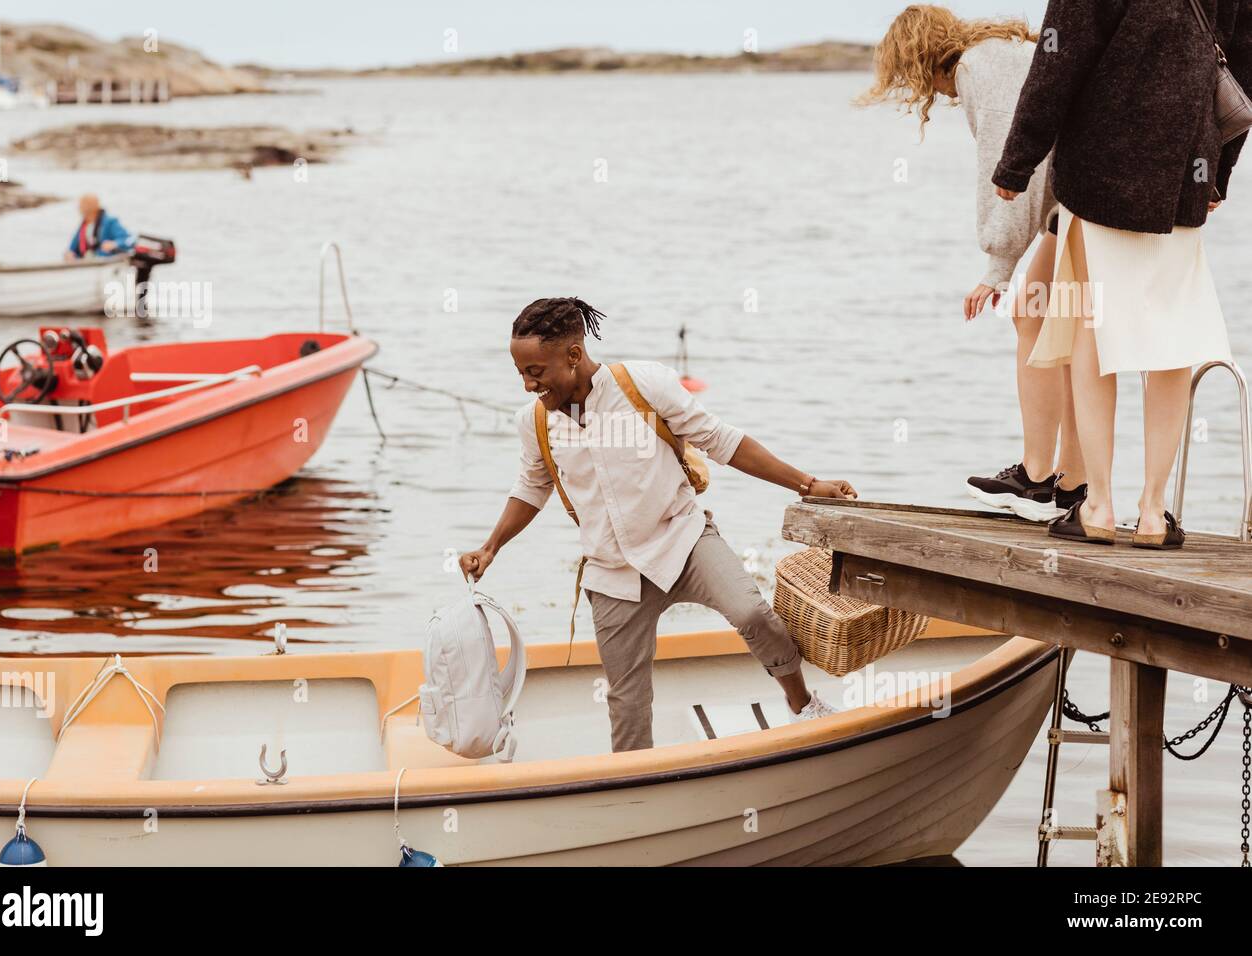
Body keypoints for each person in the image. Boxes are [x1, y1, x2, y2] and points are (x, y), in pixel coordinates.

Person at [460, 297, 856, 752]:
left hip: (682, 540)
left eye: (537, 371)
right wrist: (491, 547)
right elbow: (532, 487)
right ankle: (636, 785)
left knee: (752, 614)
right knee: (625, 701)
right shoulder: (534, 423)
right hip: (612, 572)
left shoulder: (643, 385)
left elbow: (723, 441)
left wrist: (807, 484)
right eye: (522, 374)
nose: (529, 385)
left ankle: (802, 703)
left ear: (573, 354)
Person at [993, 0, 1250, 549]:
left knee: (1092, 331)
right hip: (1187, 170)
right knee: (1174, 342)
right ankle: (1154, 513)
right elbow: (1242, 68)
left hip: (1103, 168)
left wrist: (1018, 161)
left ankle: (1100, 506)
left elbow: (1057, 56)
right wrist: (1219, 175)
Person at [858, 5, 1086, 521]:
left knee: (1037, 318)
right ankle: (1072, 483)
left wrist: (998, 266)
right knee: (1058, 330)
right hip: (1074, 203)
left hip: (1076, 204)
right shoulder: (1004, 50)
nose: (938, 96)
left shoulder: (979, 66)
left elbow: (1008, 165)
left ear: (921, 60)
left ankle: (1037, 477)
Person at [65, 194, 134, 260]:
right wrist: (70, 254)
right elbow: (72, 249)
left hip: (106, 260)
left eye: (82, 205)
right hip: (87, 262)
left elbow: (128, 239)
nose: (79, 208)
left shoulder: (110, 222)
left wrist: (114, 244)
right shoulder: (83, 227)